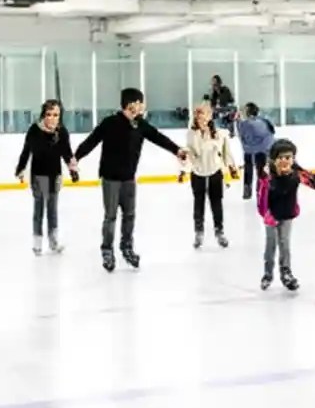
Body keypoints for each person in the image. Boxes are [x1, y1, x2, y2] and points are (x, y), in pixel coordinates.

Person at [71, 88, 187, 272]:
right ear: (131, 104)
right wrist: (76, 156)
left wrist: (177, 150)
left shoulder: (140, 124)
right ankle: (107, 250)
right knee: (110, 217)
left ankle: (127, 247)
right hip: (110, 178)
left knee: (130, 216)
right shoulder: (110, 122)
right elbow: (92, 140)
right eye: (140, 103)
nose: (143, 106)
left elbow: (158, 137)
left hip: (129, 178)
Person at [256, 138, 315, 291]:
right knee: (271, 245)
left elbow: (314, 181)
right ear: (274, 159)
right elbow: (260, 199)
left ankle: (286, 273)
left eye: (288, 157)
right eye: (281, 158)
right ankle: (268, 274)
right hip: (271, 215)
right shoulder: (267, 178)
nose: (285, 161)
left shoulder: (296, 174)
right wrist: (266, 214)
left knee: (285, 244)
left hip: (288, 213)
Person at [15, 100, 76, 255]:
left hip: (55, 175)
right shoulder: (35, 130)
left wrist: (73, 170)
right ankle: (37, 242)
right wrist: (20, 168)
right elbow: (26, 151)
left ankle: (53, 241)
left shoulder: (62, 132)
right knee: (39, 209)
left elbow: (67, 153)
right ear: (43, 115)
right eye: (48, 115)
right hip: (38, 176)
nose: (52, 118)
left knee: (52, 210)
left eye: (55, 115)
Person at [182, 102, 238, 249]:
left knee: (216, 203)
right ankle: (198, 232)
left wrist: (231, 166)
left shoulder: (219, 134)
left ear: (210, 116)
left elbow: (226, 152)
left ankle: (219, 232)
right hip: (198, 172)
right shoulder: (191, 134)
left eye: (204, 114)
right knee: (198, 203)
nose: (200, 117)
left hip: (215, 172)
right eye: (198, 114)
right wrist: (184, 169)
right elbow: (189, 153)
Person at [236, 102, 276, 200]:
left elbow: (243, 135)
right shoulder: (264, 121)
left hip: (250, 150)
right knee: (260, 170)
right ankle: (260, 191)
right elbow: (271, 133)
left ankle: (248, 191)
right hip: (261, 150)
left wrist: (237, 121)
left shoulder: (247, 124)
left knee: (249, 170)